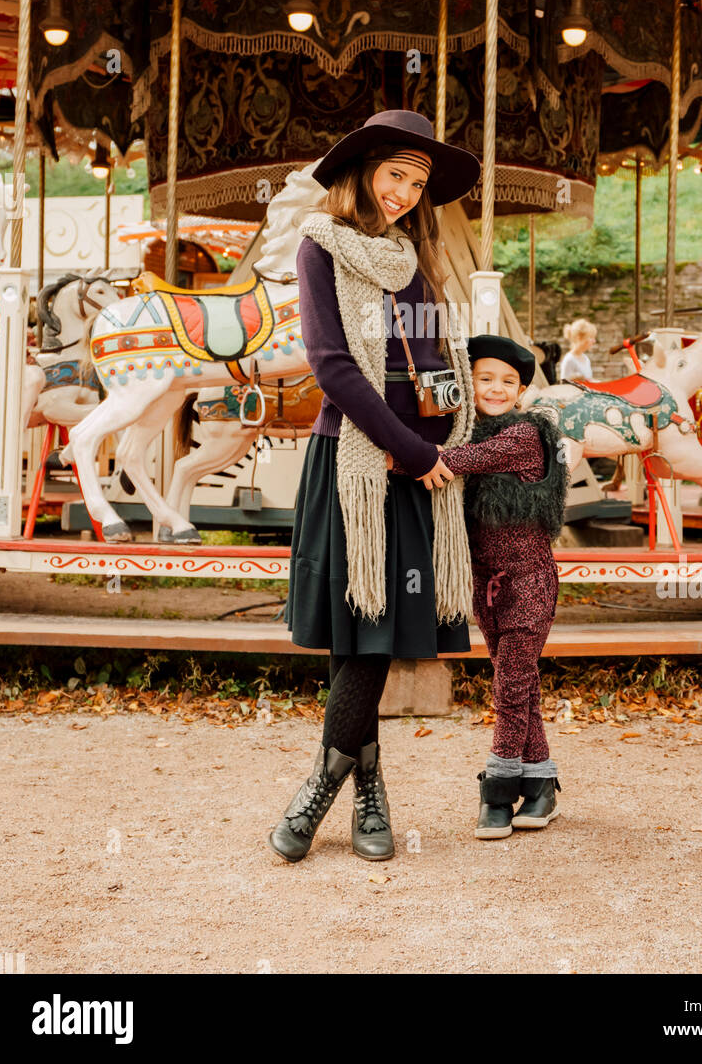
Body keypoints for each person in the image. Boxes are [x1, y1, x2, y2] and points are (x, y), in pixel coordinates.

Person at [269, 110, 480, 864]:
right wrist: (410, 453)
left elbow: (433, 361)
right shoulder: (319, 247)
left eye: (418, 183)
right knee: (361, 630)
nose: (405, 193)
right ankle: (353, 793)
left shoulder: (414, 265)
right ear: (363, 172)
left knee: (374, 631)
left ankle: (329, 792)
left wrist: (459, 422)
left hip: (415, 460)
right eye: (396, 174)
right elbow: (332, 368)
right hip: (355, 463)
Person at [418, 334, 568, 839]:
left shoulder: (522, 436)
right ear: (468, 383)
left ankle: (499, 789)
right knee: (520, 685)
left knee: (509, 685)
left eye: (509, 381)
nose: (497, 388)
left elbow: (452, 461)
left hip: (530, 582)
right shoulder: (469, 431)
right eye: (485, 378)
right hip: (488, 586)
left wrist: (405, 451)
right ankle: (542, 787)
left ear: (522, 390)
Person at [559, 317, 597, 381]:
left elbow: (589, 381)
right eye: (590, 337)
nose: (594, 341)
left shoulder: (586, 358)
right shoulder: (569, 359)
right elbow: (563, 384)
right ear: (579, 338)